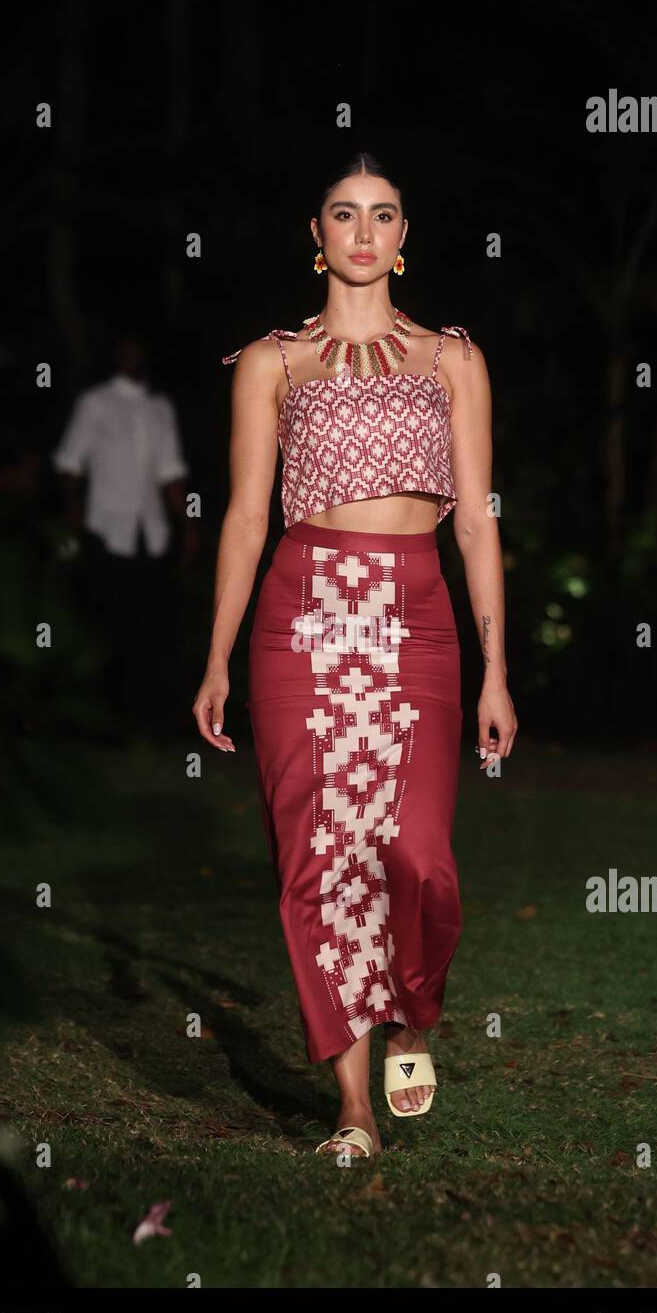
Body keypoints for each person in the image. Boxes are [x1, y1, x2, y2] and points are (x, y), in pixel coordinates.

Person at [192, 152, 517, 1159]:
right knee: (317, 856)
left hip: (414, 616)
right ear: (317, 235)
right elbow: (245, 517)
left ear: (403, 239)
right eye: (345, 214)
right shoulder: (269, 363)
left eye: (383, 214)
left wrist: (496, 668)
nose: (364, 231)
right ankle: (351, 1105)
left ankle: (412, 1013)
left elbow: (473, 524)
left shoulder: (451, 360)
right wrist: (214, 661)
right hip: (300, 613)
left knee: (415, 853)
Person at [53, 333, 197, 732]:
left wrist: (187, 525)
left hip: (150, 533)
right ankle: (97, 720)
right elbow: (68, 461)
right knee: (105, 623)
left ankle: (143, 719)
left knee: (150, 626)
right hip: (105, 528)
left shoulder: (159, 407)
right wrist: (73, 506)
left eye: (138, 348)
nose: (132, 354)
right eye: (125, 348)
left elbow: (170, 472)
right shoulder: (95, 403)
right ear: (115, 354)